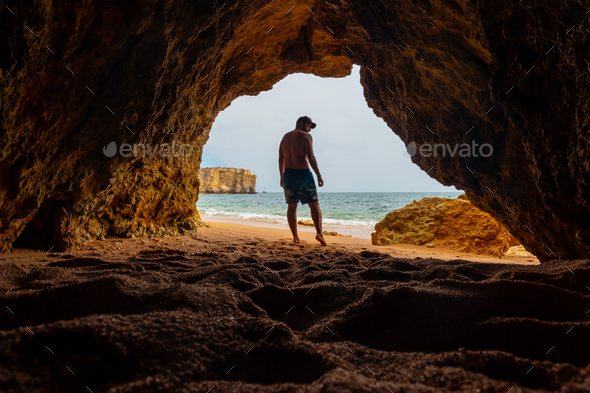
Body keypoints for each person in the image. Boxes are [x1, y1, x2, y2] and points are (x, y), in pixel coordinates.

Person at [279, 116, 327, 246]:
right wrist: (318, 175)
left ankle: (295, 237)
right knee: (314, 204)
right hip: (303, 174)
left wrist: (281, 176)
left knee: (292, 207)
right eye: (309, 126)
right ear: (301, 123)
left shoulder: (285, 137)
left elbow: (280, 158)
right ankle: (319, 234)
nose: (310, 130)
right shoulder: (306, 136)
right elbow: (311, 156)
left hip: (288, 174)